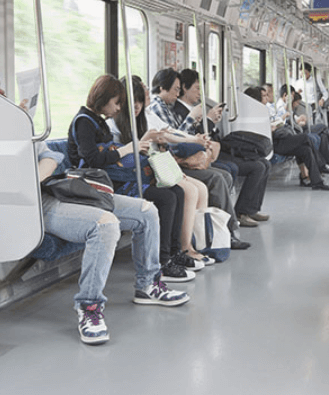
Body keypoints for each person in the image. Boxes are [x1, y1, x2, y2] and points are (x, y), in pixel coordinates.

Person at [0, 65, 189, 346]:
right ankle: (89, 306)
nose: (1, 90)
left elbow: (50, 156)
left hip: (55, 186)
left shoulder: (15, 123)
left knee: (146, 211)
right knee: (105, 226)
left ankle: (148, 284)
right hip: (34, 202)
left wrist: (37, 176)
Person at [67, 74, 210, 279]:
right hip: (100, 185)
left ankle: (174, 252)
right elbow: (93, 159)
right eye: (117, 103)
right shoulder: (84, 122)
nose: (118, 108)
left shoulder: (99, 122)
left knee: (177, 192)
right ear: (104, 99)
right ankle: (163, 260)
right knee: (167, 197)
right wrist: (128, 150)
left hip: (114, 177)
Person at [146, 68, 251, 249]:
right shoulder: (157, 109)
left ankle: (218, 231)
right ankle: (221, 233)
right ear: (163, 87)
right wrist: (194, 125)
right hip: (169, 163)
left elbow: (175, 134)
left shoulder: (167, 108)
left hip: (176, 158)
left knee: (225, 174)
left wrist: (199, 141)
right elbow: (174, 141)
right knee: (217, 177)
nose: (177, 93)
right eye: (176, 89)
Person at [175, 69, 271, 228]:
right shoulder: (181, 111)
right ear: (184, 88)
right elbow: (189, 138)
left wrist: (213, 123)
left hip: (214, 150)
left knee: (264, 163)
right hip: (202, 155)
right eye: (197, 88)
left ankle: (250, 208)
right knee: (255, 167)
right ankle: (239, 213)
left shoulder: (197, 108)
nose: (200, 92)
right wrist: (209, 121)